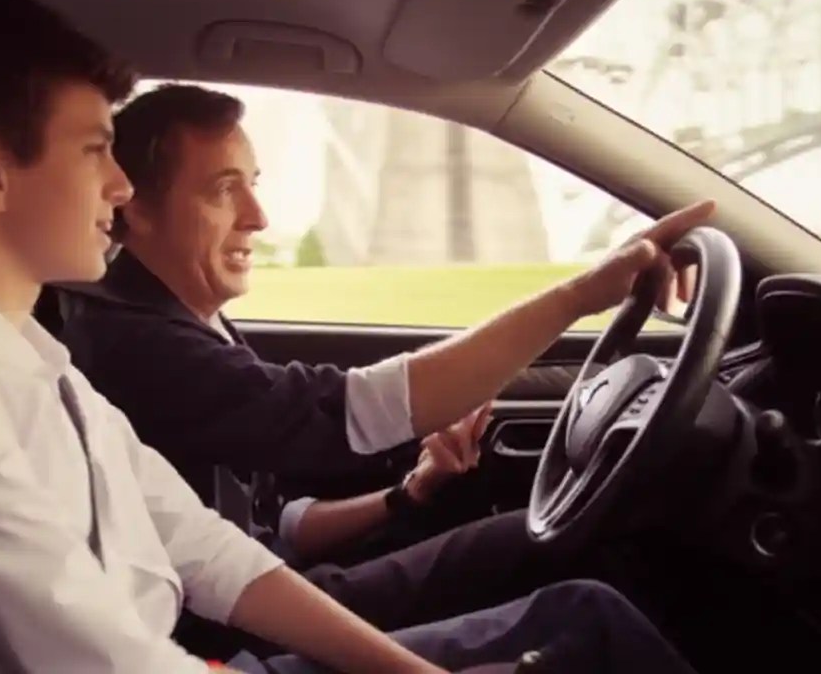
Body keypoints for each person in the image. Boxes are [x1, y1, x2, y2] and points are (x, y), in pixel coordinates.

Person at [0, 0, 698, 674]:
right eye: (93, 151)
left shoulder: (28, 361)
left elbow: (204, 547)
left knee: (579, 613)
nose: (116, 189)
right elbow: (113, 663)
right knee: (588, 623)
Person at [41, 85, 714, 612]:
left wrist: (408, 495)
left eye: (254, 182)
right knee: (579, 583)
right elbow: (344, 414)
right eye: (223, 189)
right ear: (135, 210)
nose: (258, 215)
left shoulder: (179, 316)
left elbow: (274, 521)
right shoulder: (137, 344)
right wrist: (579, 295)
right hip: (224, 621)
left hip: (258, 579)